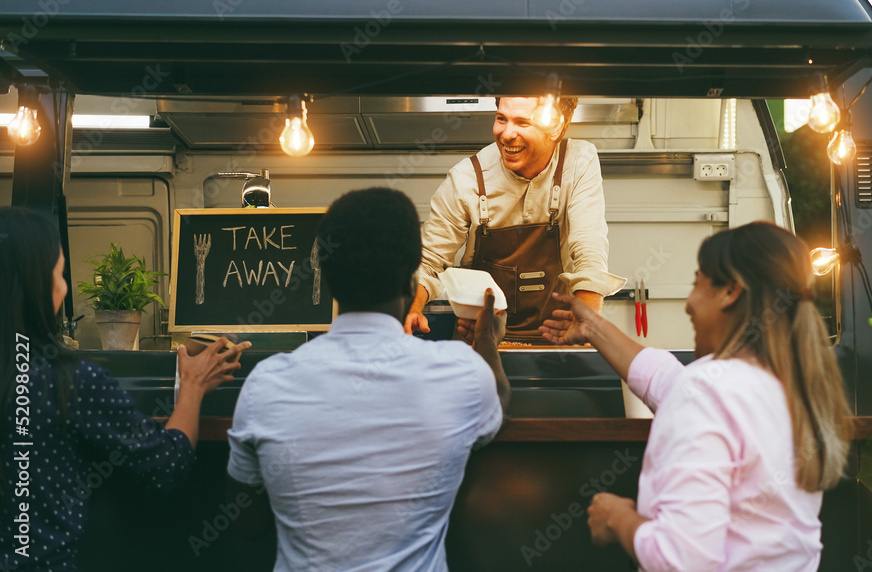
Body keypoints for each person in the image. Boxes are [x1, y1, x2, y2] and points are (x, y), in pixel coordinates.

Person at [226, 187, 511, 571]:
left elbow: (248, 521)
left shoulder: (267, 383)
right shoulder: (459, 373)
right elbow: (498, 394)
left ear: (327, 279)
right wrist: (487, 339)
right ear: (412, 282)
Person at [540, 222, 852, 571]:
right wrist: (593, 328)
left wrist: (618, 518)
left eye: (697, 282)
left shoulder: (708, 390)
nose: (688, 303)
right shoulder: (787, 386)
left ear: (730, 291)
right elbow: (668, 381)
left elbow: (681, 560)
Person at [0, 206, 250, 571]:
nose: (64, 285)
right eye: (59, 272)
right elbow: (167, 463)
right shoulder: (71, 384)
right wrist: (193, 386)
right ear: (39, 286)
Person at [405, 96, 625, 342]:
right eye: (501, 119)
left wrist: (586, 319)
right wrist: (412, 307)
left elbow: (589, 245)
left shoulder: (578, 161)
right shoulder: (466, 178)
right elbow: (430, 261)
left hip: (560, 336)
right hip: (482, 339)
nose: (506, 134)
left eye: (522, 122)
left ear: (557, 128)